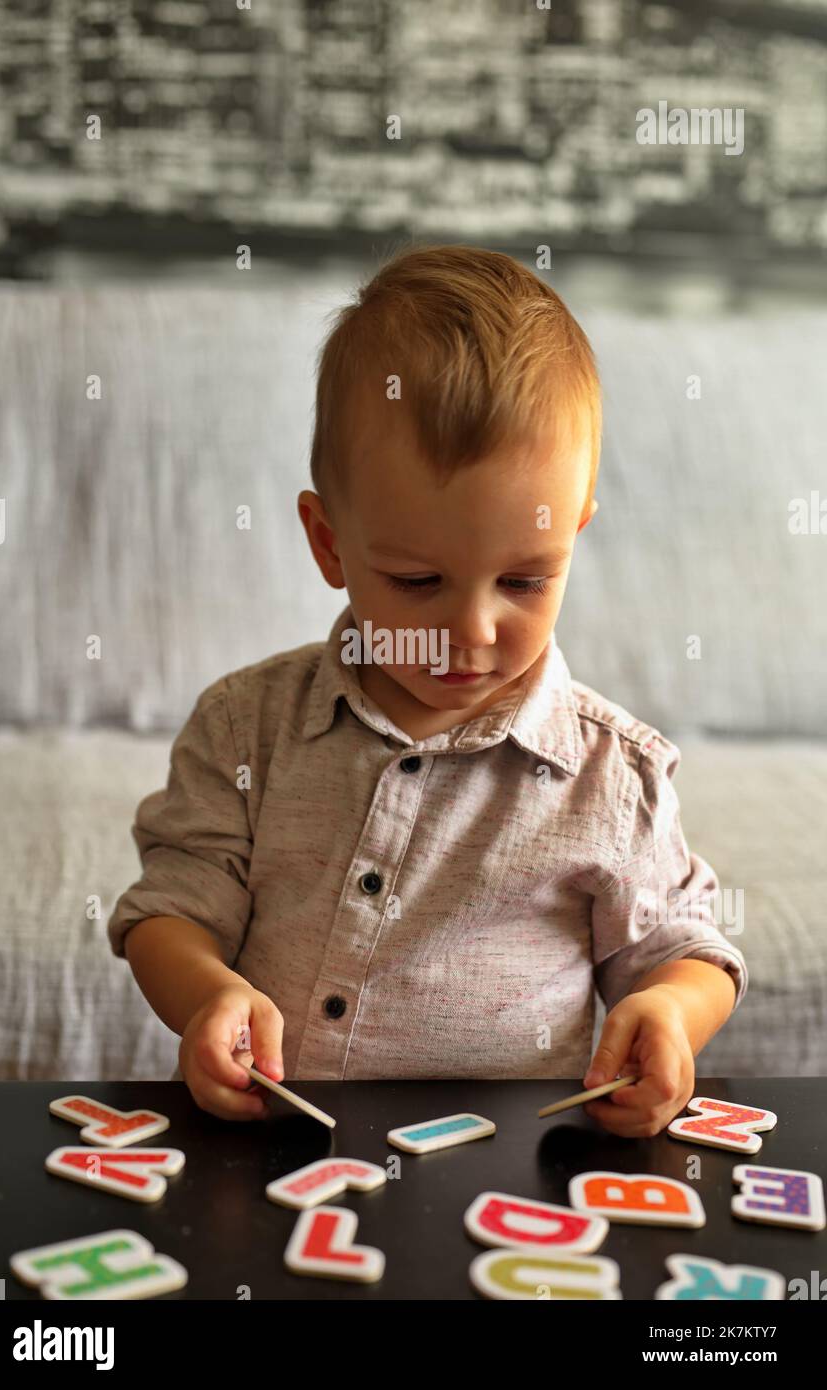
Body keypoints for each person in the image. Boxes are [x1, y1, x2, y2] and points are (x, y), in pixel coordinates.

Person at [107, 244, 747, 1138]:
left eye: (525, 582)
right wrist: (207, 996)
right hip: (279, 1152)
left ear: (574, 537)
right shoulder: (245, 728)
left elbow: (686, 951)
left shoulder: (613, 775)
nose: (474, 632)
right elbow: (171, 909)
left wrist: (672, 1014)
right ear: (329, 545)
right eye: (417, 581)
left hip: (509, 1177)